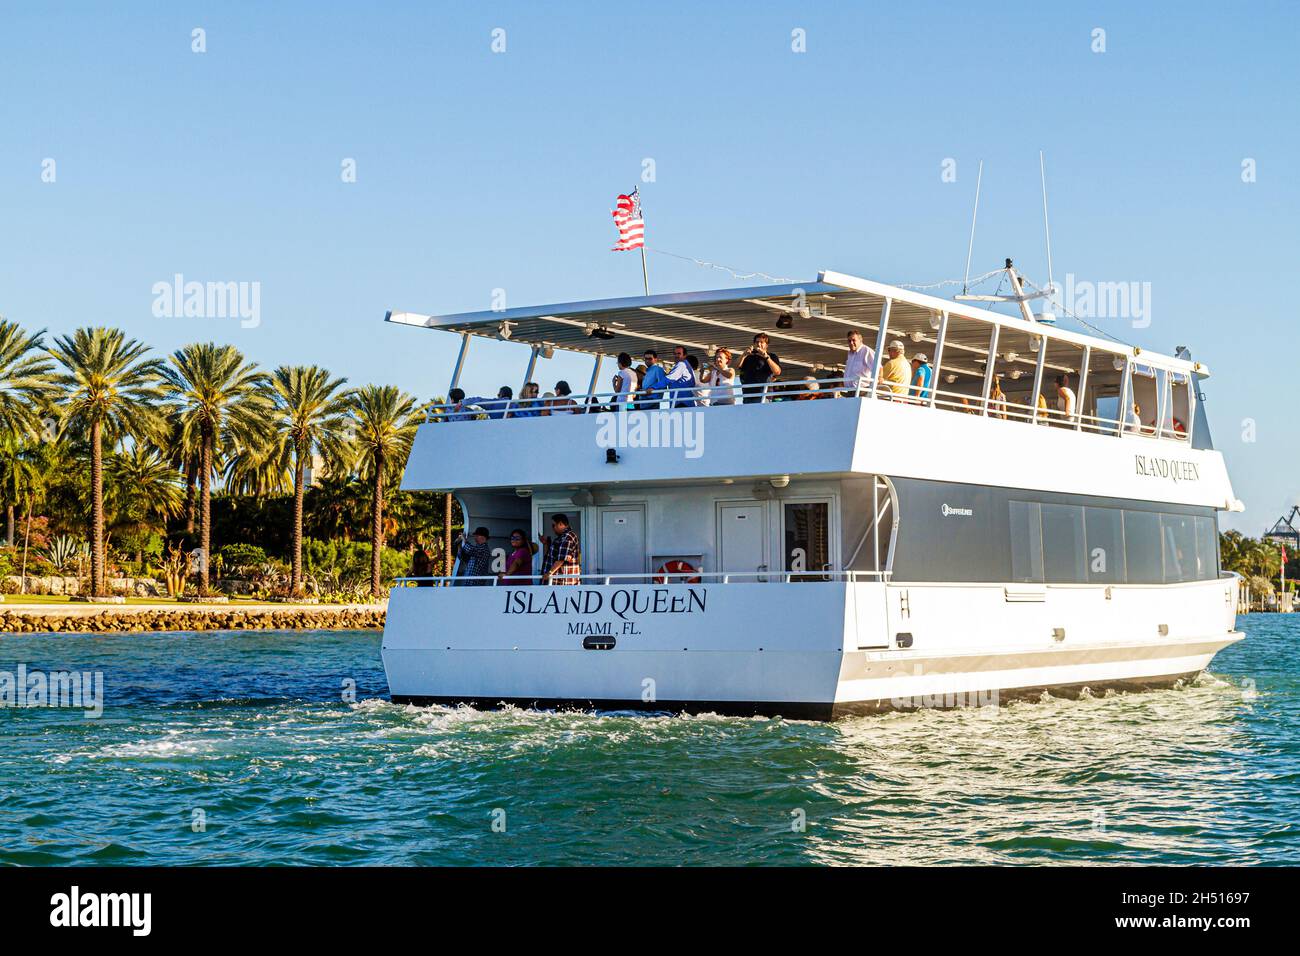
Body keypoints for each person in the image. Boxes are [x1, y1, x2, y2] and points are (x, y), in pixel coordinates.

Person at [738, 333, 782, 403]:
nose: (759, 344)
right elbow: (737, 366)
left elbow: (777, 372)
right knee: (748, 414)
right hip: (748, 393)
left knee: (763, 413)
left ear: (766, 345)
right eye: (757, 342)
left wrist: (767, 358)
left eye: (761, 342)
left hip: (764, 393)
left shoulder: (772, 356)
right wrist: (744, 355)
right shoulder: (748, 356)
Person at [538, 513, 581, 585]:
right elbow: (550, 557)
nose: (553, 528)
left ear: (560, 524)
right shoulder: (561, 538)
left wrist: (549, 573)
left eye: (553, 525)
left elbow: (562, 558)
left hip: (562, 583)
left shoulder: (567, 537)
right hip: (558, 582)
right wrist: (545, 544)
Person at [843, 329, 876, 395]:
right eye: (849, 341)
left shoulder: (866, 351)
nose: (851, 343)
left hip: (862, 391)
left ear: (860, 340)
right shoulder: (850, 354)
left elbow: (878, 367)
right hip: (850, 391)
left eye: (853, 340)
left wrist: (879, 378)